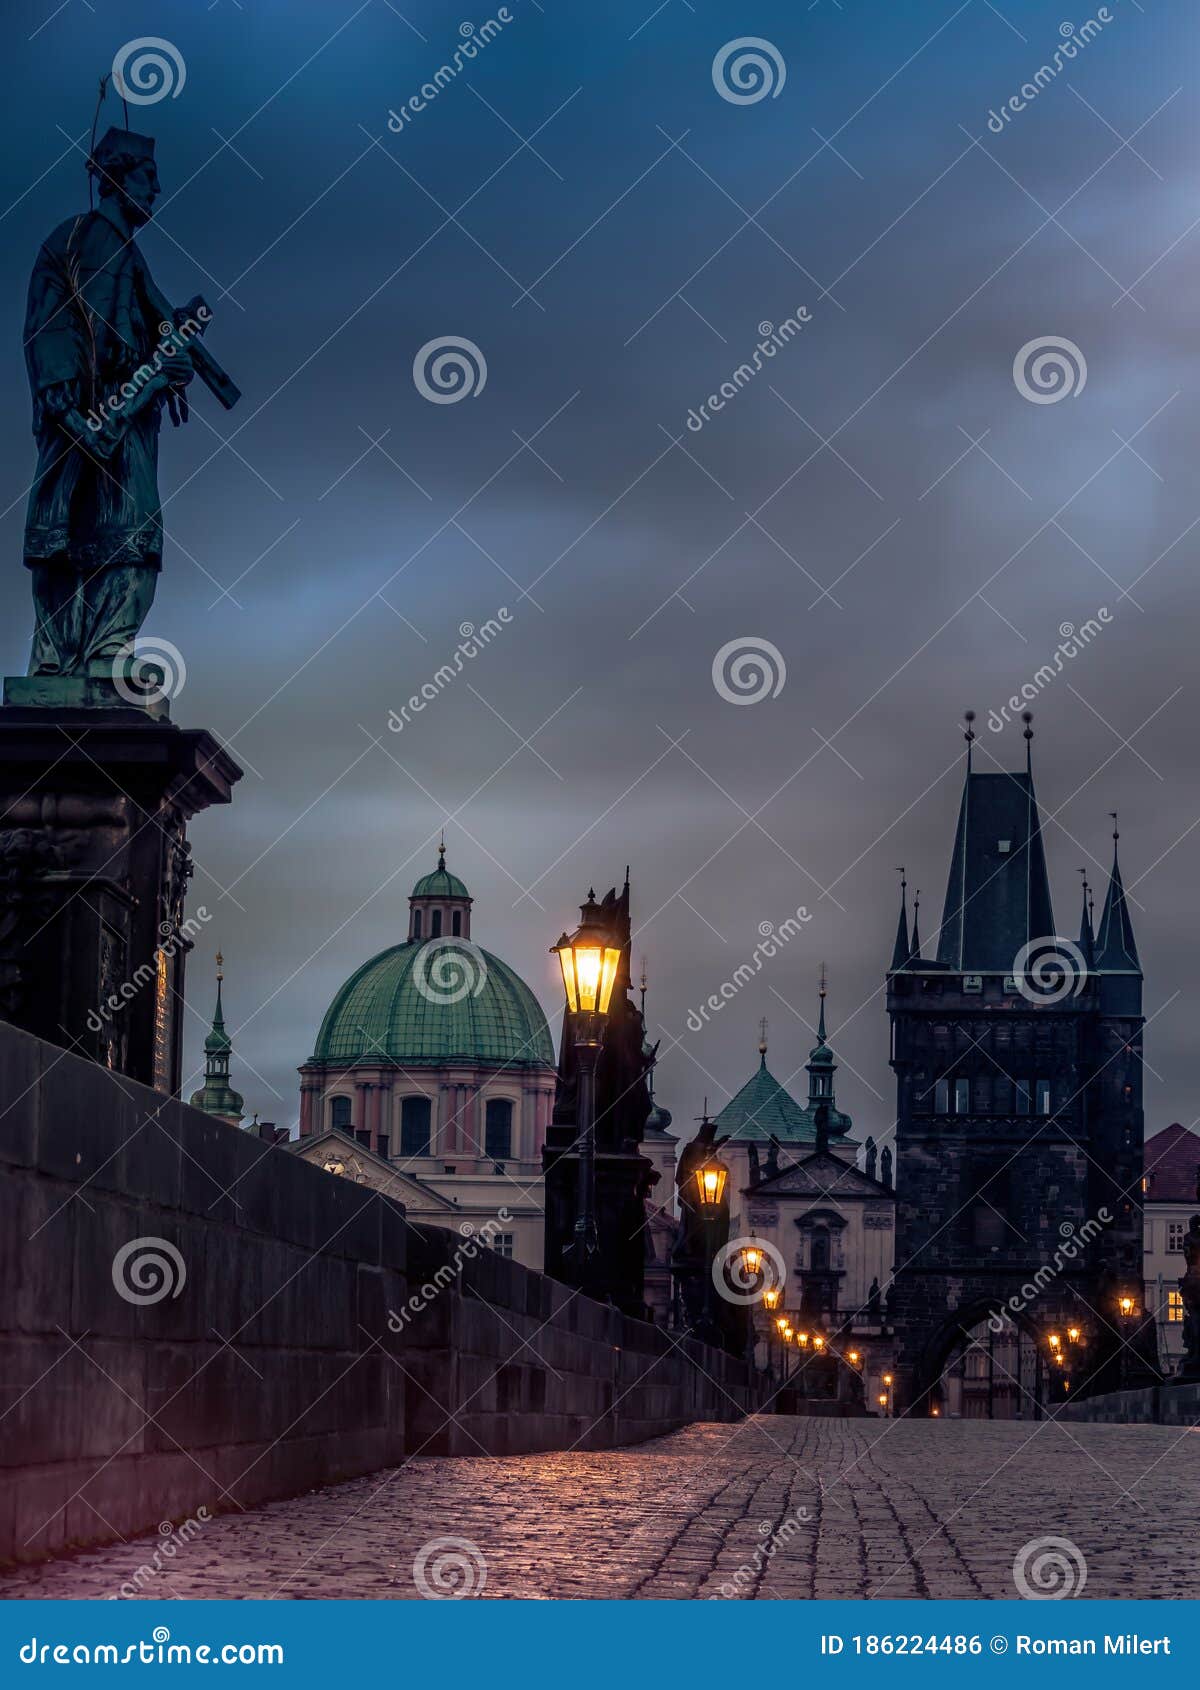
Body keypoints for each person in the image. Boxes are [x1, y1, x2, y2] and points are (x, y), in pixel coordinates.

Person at [22, 127, 193, 678]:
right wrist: (72, 403)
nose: (158, 188)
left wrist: (172, 367)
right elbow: (50, 329)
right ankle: (61, 658)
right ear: (118, 180)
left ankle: (104, 652)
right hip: (84, 419)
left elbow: (142, 337)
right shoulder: (76, 242)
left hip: (126, 423)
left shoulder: (129, 256)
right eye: (147, 178)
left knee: (130, 537)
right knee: (69, 538)